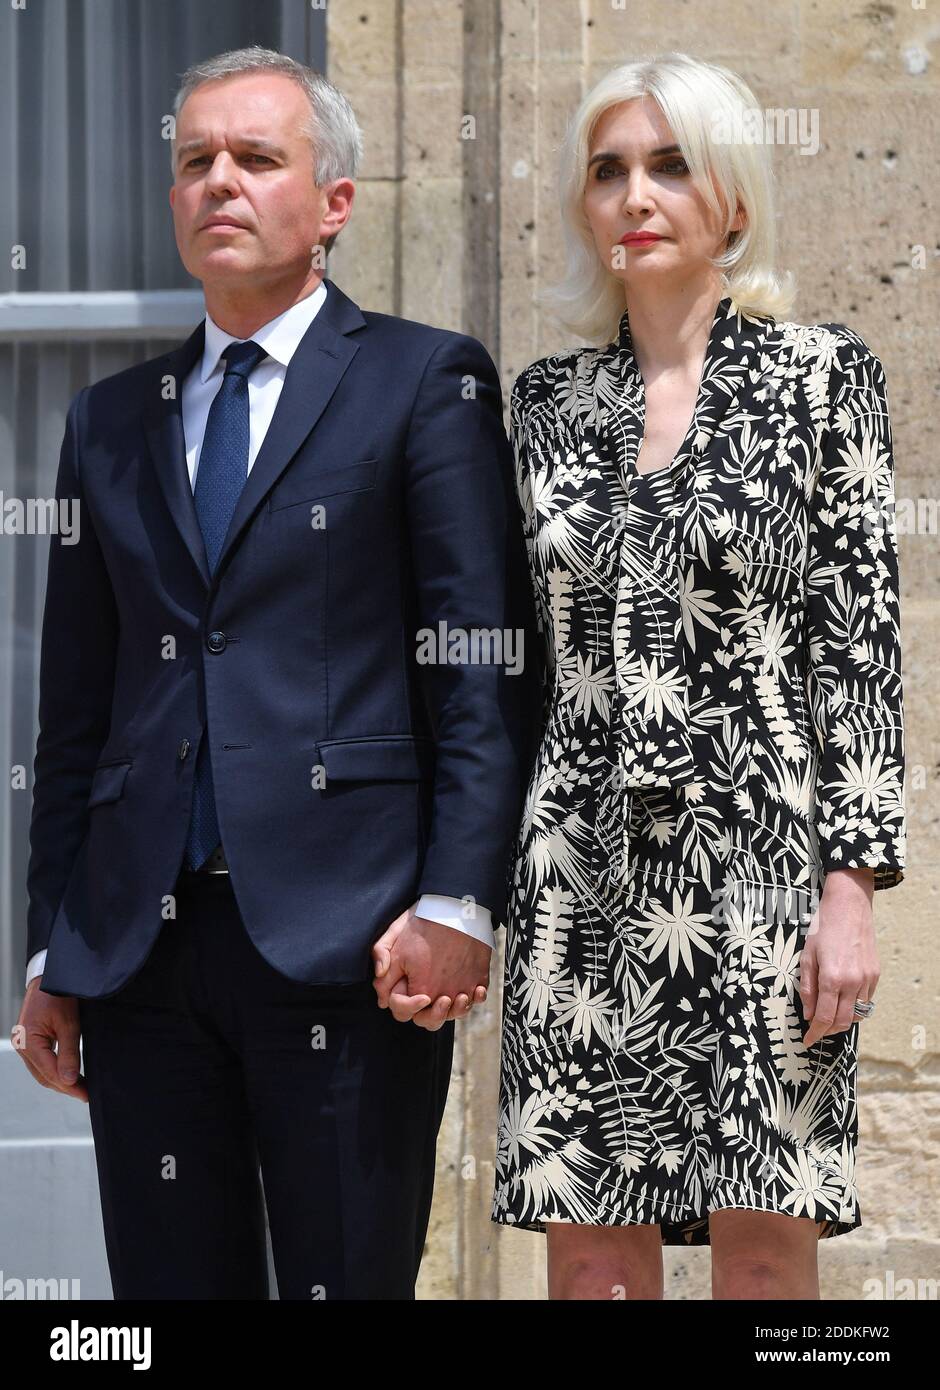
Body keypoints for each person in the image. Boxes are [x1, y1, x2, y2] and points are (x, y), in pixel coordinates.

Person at [15, 45, 538, 1300]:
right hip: (140, 952)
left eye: (256, 158)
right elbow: (76, 708)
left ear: (335, 203)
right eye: (194, 161)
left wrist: (458, 902)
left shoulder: (425, 379)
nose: (218, 184)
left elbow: (485, 666)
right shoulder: (112, 420)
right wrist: (51, 944)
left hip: (352, 940)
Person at [489, 52, 906, 1300]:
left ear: (732, 195)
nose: (635, 195)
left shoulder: (823, 378)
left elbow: (861, 652)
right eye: (608, 170)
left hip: (759, 858)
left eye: (669, 165)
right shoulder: (546, 405)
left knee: (765, 1237)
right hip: (579, 855)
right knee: (591, 1248)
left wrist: (851, 889)